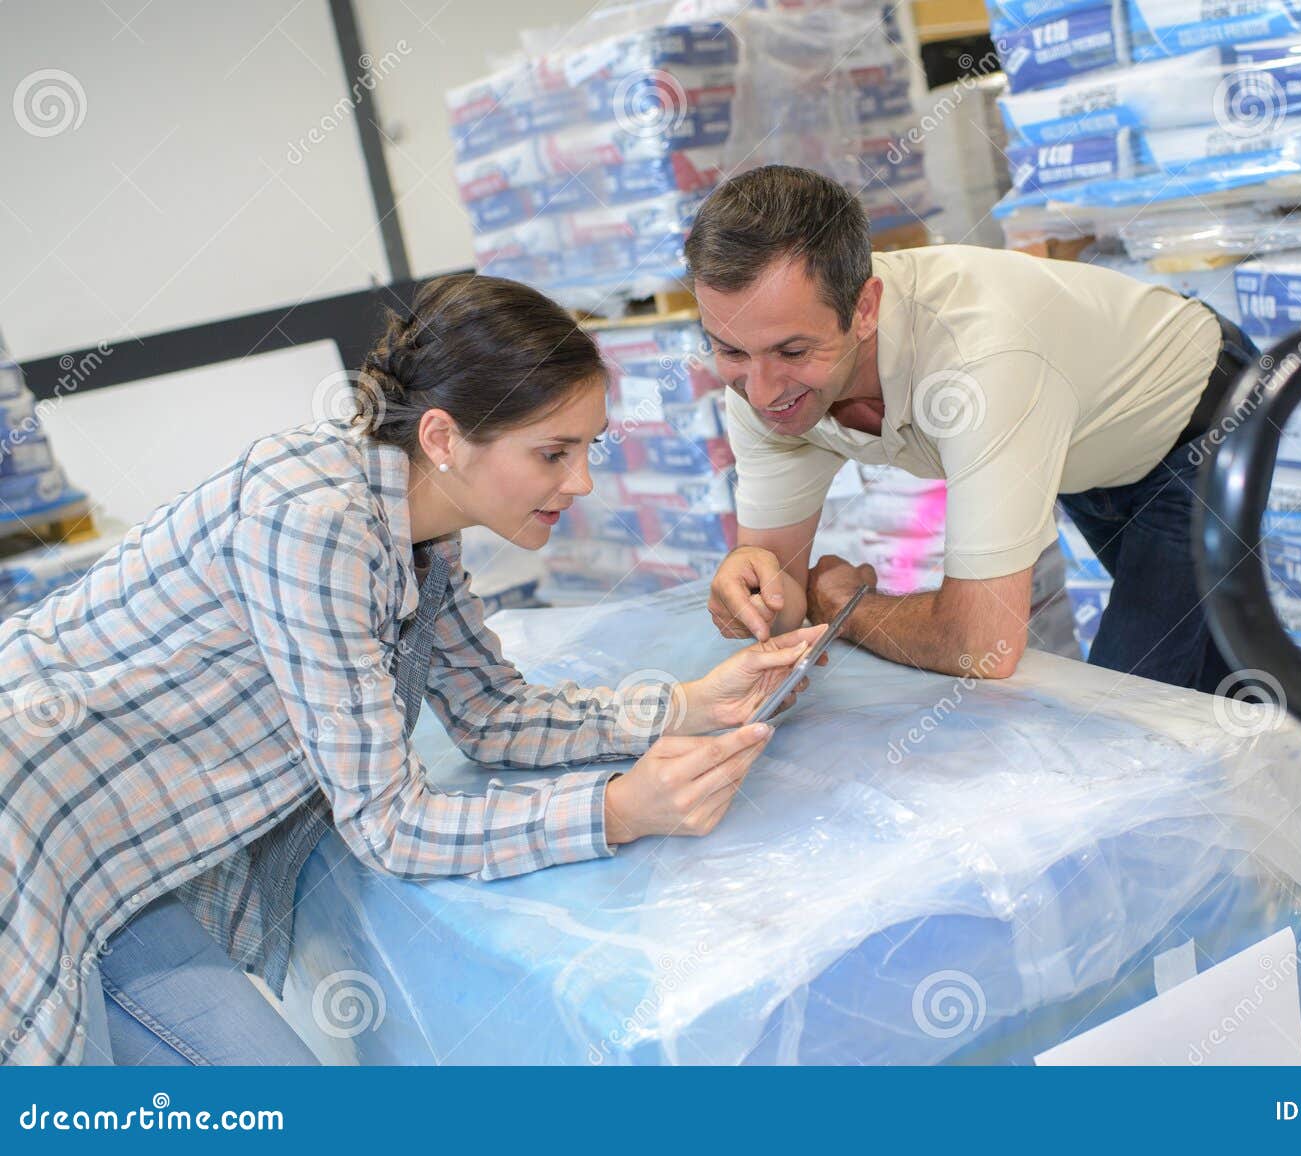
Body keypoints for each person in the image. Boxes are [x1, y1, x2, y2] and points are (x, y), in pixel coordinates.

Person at [0, 274, 826, 1066]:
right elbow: (389, 825)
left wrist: (686, 704)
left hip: (104, 861)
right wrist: (617, 809)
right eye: (552, 453)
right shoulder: (318, 524)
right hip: (25, 840)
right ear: (442, 437)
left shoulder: (420, 525)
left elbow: (493, 714)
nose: (580, 480)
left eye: (588, 448)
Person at [689, 165, 1257, 688]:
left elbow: (981, 646)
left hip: (1200, 421)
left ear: (864, 310)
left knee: (1136, 703)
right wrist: (753, 587)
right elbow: (780, 588)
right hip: (1087, 442)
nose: (760, 391)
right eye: (730, 350)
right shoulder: (765, 372)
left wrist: (844, 604)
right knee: (1212, 678)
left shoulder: (979, 360)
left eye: (792, 350)